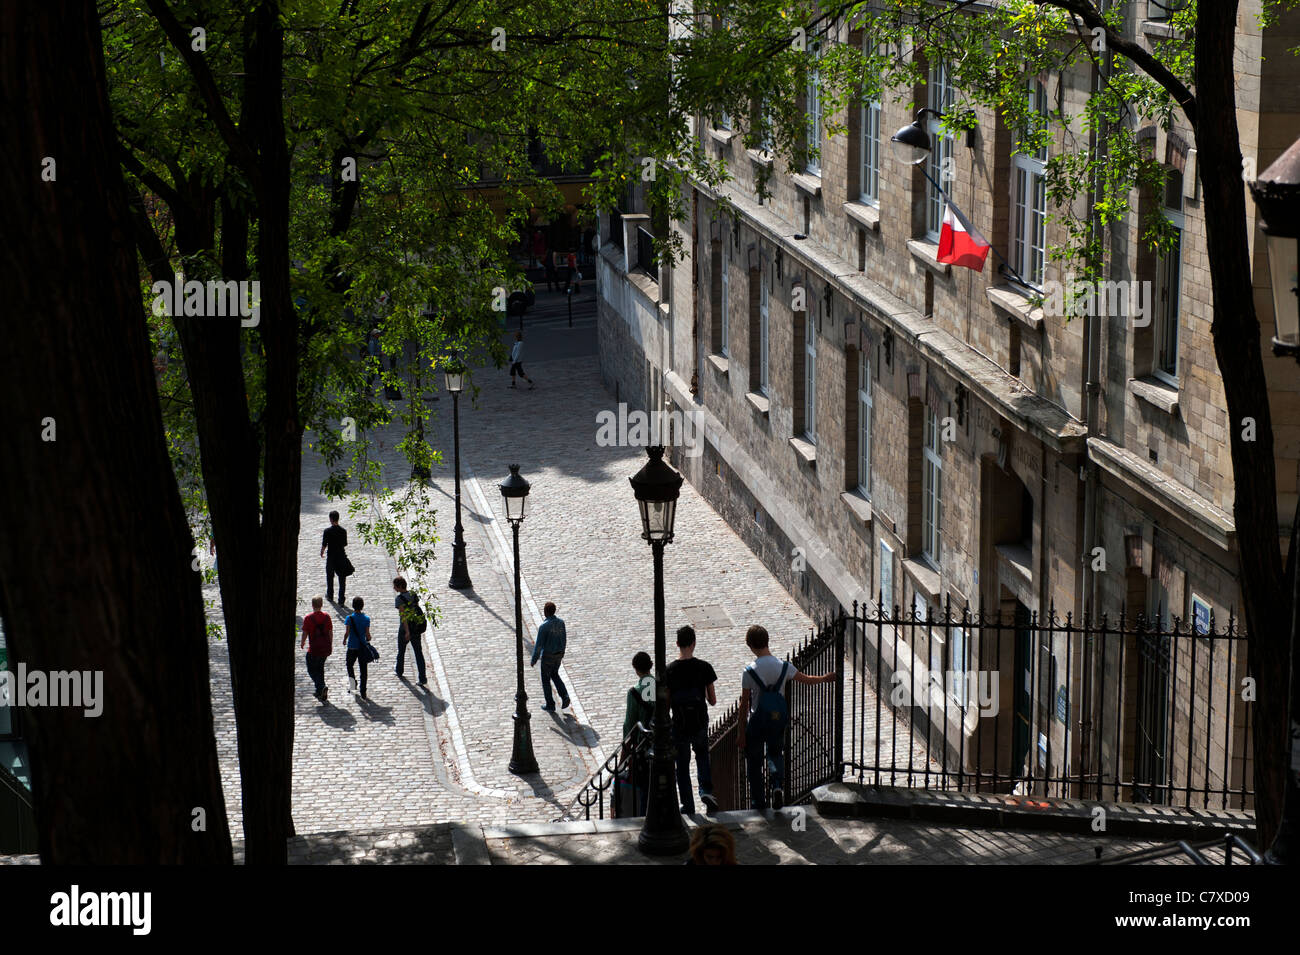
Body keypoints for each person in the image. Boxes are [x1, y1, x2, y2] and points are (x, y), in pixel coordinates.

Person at [737, 624, 835, 811]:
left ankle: (759, 803)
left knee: (755, 763)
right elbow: (807, 679)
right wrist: (825, 678)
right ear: (767, 641)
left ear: (750, 645)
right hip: (776, 718)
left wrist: (741, 733)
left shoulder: (749, 671)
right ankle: (777, 786)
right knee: (775, 754)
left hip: (757, 721)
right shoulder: (783, 667)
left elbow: (743, 706)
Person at [667, 626, 718, 815]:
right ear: (694, 643)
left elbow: (666, 703)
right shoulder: (704, 667)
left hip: (679, 724)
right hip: (699, 722)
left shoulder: (669, 670)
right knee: (702, 756)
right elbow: (712, 701)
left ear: (677, 644)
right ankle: (706, 790)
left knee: (682, 764)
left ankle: (687, 804)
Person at [621, 651, 655, 816]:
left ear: (635, 669)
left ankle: (644, 818)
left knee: (644, 788)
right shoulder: (660, 686)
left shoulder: (634, 692)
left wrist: (624, 753)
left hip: (642, 746)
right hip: (660, 743)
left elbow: (629, 725)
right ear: (651, 666)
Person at [529, 601, 569, 712]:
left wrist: (534, 659)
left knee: (546, 680)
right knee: (555, 674)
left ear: (546, 612)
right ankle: (564, 696)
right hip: (559, 655)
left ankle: (550, 704)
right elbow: (564, 638)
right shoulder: (561, 623)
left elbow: (539, 645)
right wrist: (562, 652)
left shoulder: (544, 627)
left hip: (548, 656)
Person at [392, 575, 428, 687]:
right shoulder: (413, 594)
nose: (394, 588)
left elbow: (403, 617)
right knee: (418, 653)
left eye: (395, 586)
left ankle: (399, 670)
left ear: (399, 586)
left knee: (401, 650)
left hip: (405, 629)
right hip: (416, 627)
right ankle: (422, 678)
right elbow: (416, 609)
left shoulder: (399, 599)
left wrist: (407, 631)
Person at [300, 596, 333, 702]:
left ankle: (321, 686)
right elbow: (330, 632)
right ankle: (320, 691)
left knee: (311, 669)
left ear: (312, 605)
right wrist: (330, 644)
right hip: (325, 648)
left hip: (314, 648)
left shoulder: (308, 618)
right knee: (320, 668)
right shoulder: (327, 617)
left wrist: (303, 642)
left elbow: (305, 632)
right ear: (322, 604)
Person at [343, 596, 373, 700]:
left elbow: (347, 633)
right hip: (362, 647)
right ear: (362, 606)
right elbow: (368, 635)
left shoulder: (349, 618)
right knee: (363, 669)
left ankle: (353, 684)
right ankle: (363, 690)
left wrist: (344, 640)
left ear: (353, 606)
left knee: (349, 665)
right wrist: (368, 638)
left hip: (352, 646)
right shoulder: (366, 619)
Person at [320, 511, 350, 604]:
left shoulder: (327, 531)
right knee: (342, 579)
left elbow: (324, 544)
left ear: (330, 519)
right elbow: (345, 544)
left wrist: (322, 552)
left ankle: (330, 595)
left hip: (331, 557)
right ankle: (341, 600)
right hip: (341, 557)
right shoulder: (343, 531)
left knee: (329, 576)